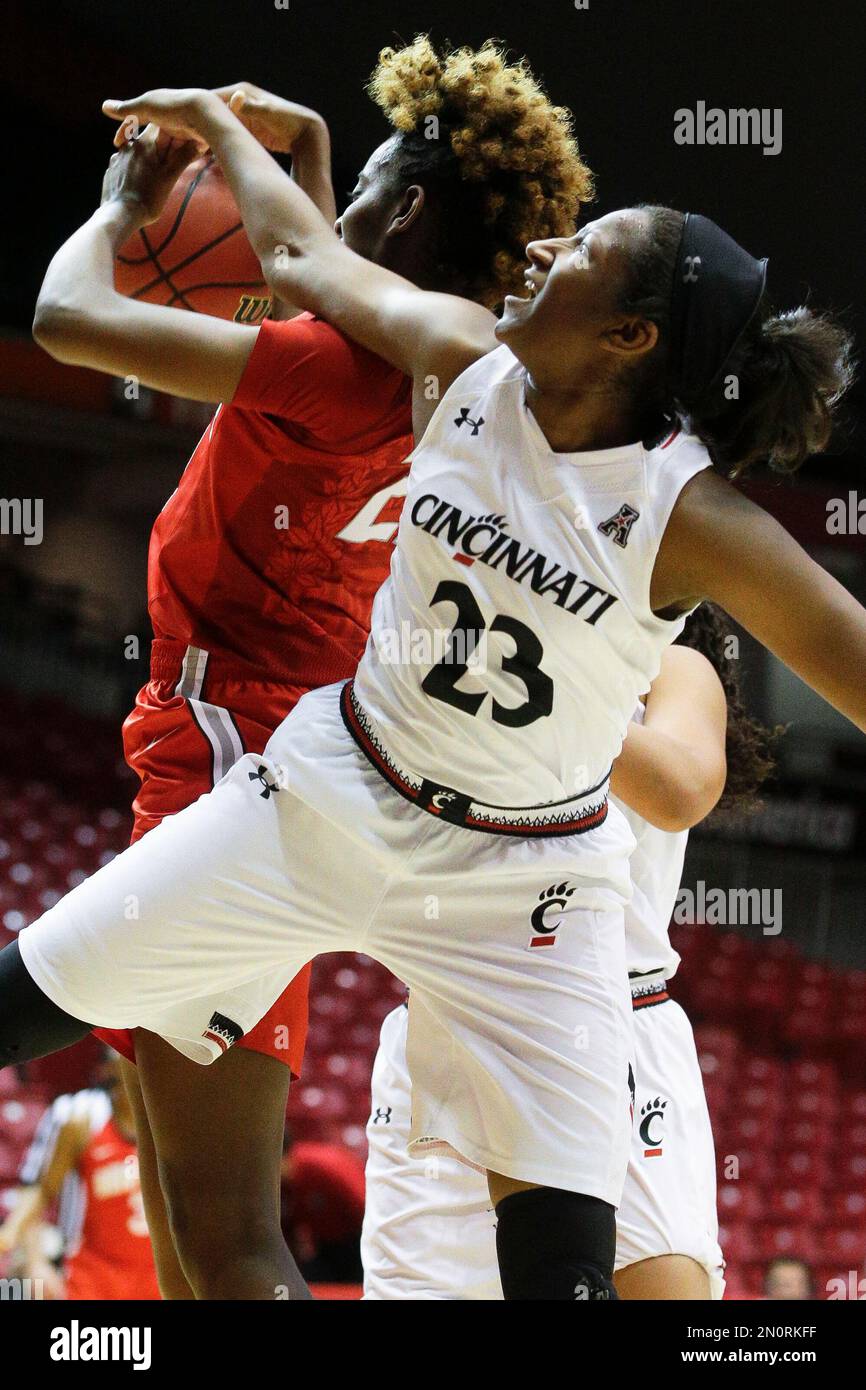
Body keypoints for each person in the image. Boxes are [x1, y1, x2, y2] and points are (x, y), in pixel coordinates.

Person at [1, 83, 861, 1300]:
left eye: (586, 252)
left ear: (628, 340)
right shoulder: (458, 359)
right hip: (334, 793)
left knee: (568, 1276)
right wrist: (224, 123)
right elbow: (302, 254)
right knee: (31, 1003)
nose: (548, 249)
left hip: (520, 889)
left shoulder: (692, 515)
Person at [21, 41, 593, 1301]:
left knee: (225, 1240)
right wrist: (329, 153)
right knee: (187, 1232)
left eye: (371, 187)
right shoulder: (451, 371)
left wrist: (120, 209)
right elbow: (324, 266)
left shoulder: (325, 365)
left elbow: (68, 322)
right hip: (275, 736)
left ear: (407, 213)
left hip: (232, 751)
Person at [361, 604, 776, 1300]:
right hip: (457, 1013)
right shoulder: (464, 621)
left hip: (619, 1015)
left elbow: (682, 786)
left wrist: (518, 689)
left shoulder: (673, 660)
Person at [0, 1053, 160, 1300]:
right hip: (92, 1274)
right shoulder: (80, 1115)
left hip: (160, 1272)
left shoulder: (173, 1118)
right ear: (110, 1071)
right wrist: (33, 1257)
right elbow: (40, 1189)